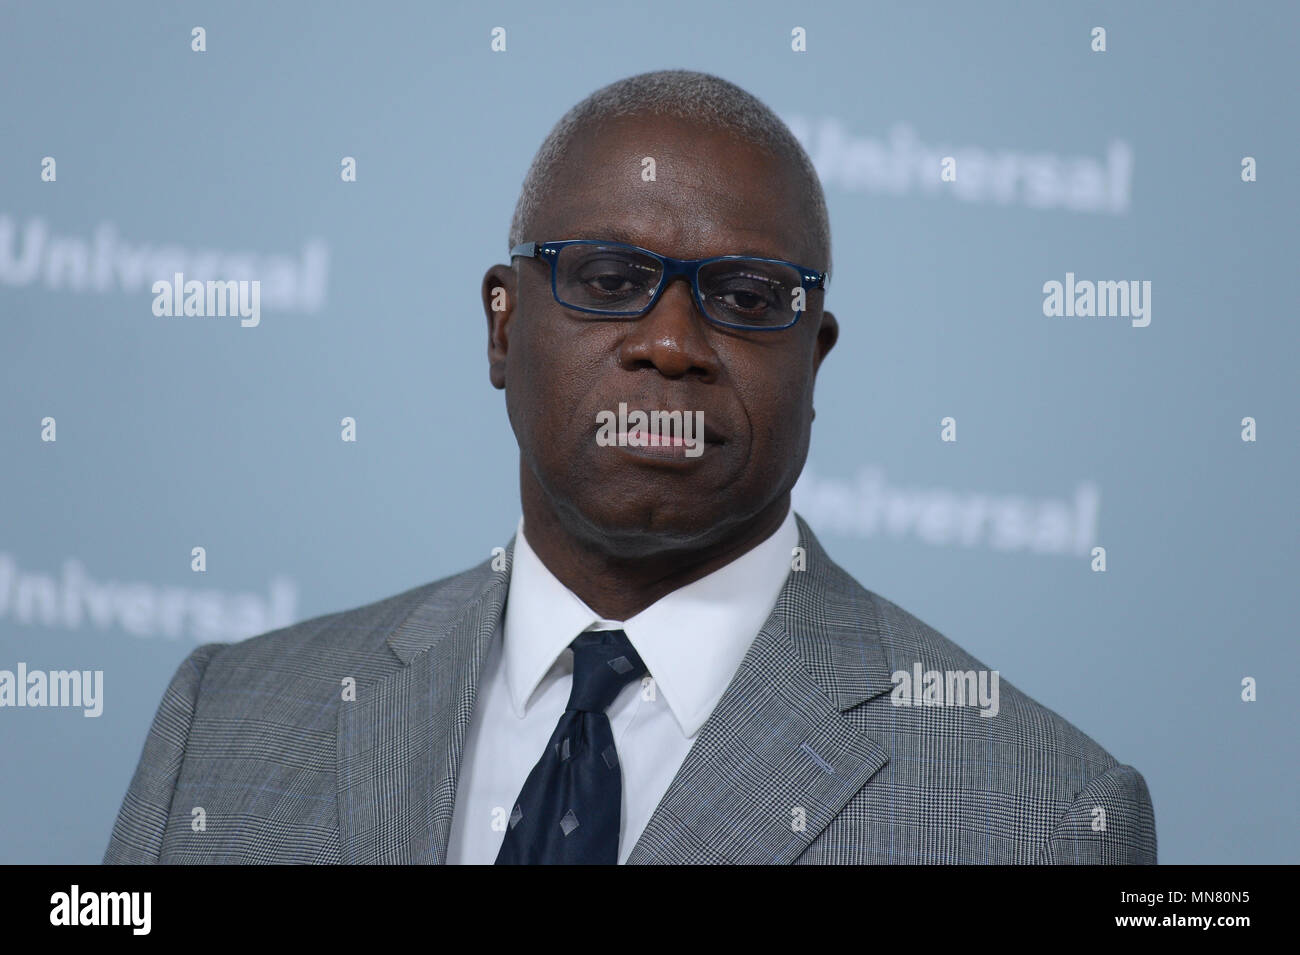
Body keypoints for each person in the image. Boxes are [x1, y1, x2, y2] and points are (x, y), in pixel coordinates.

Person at [104, 69, 1155, 865]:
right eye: (607, 277)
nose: (669, 342)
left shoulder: (1043, 814)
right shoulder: (225, 720)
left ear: (813, 358)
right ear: (500, 329)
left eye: (744, 297)